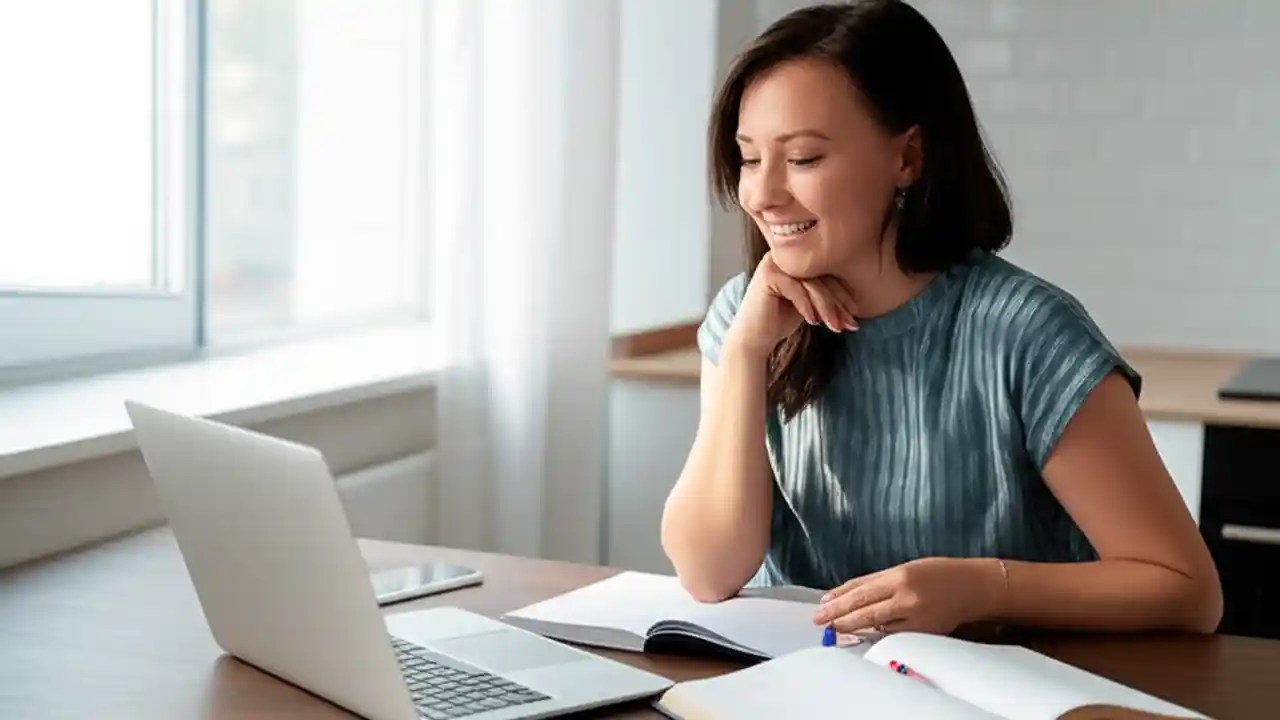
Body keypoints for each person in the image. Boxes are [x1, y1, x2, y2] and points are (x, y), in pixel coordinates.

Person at [659, 0, 1222, 637]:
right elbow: (708, 573)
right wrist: (743, 355)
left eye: (804, 158)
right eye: (751, 158)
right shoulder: (745, 316)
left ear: (908, 158)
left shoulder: (1027, 334)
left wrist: (984, 586)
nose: (761, 194)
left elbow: (1186, 589)